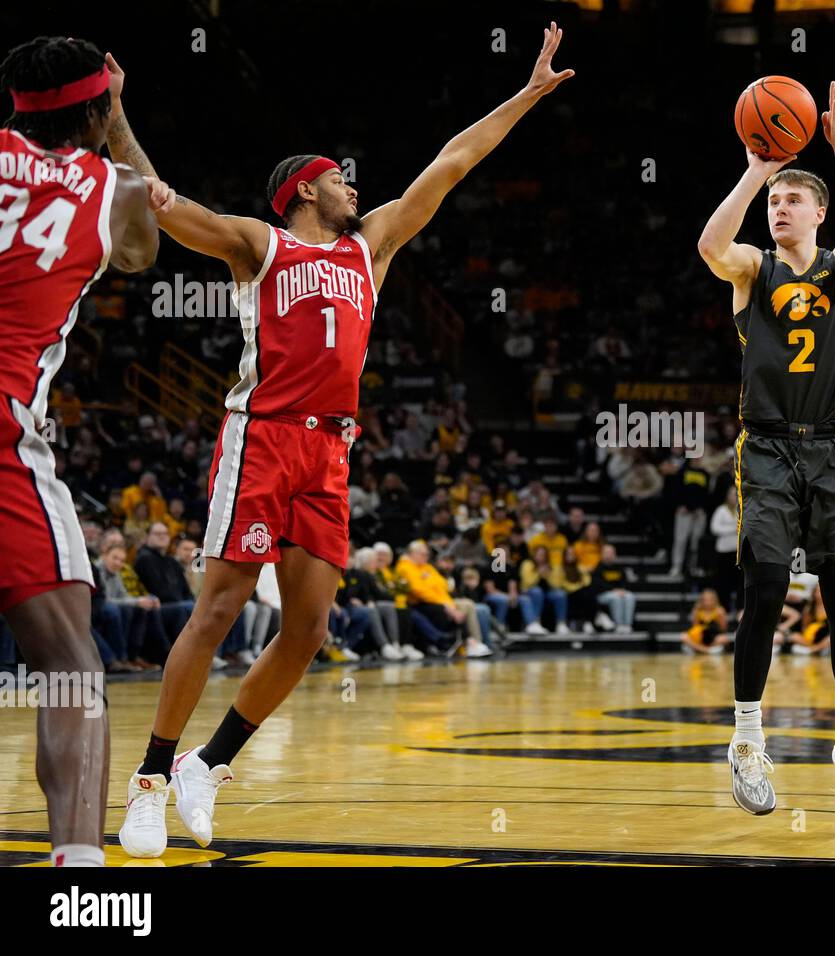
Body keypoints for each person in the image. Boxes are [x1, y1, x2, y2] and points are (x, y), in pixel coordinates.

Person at [112, 26, 573, 858]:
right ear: (300, 191)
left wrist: (529, 94)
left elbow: (453, 162)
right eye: (337, 177)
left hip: (330, 452)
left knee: (309, 630)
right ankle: (146, 782)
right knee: (217, 608)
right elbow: (166, 205)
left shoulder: (373, 247)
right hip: (262, 438)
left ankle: (206, 767)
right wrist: (114, 117)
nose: (353, 185)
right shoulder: (262, 243)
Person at [0, 35, 165, 867]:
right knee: (70, 665)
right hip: (2, 438)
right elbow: (146, 249)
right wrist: (120, 118)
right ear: (99, 109)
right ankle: (80, 881)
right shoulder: (118, 189)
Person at [698, 80, 835, 814]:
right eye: (774, 201)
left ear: (819, 213)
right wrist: (754, 169)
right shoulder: (751, 268)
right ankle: (746, 739)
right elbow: (710, 244)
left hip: (834, 448)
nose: (780, 208)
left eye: (791, 200)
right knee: (765, 590)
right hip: (767, 449)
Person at [682, 588, 730, 654]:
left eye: (710, 600)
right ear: (701, 600)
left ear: (715, 600)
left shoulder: (719, 611)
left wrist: (712, 628)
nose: (707, 602)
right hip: (701, 637)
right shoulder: (697, 611)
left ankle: (699, 650)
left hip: (714, 637)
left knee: (724, 639)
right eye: (705, 600)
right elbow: (694, 627)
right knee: (684, 636)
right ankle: (707, 650)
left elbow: (723, 628)